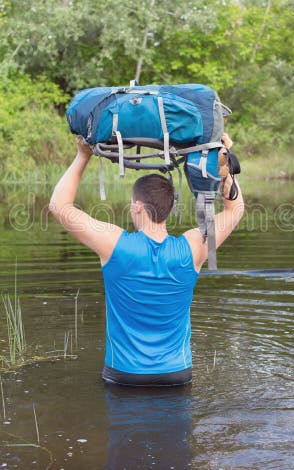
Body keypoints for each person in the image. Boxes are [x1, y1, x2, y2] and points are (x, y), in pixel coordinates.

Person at [49, 136, 244, 386]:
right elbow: (234, 210)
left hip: (124, 376)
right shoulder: (193, 248)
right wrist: (224, 168)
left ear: (139, 207)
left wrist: (82, 156)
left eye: (132, 204)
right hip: (176, 376)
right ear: (170, 207)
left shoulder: (114, 245)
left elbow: (58, 206)